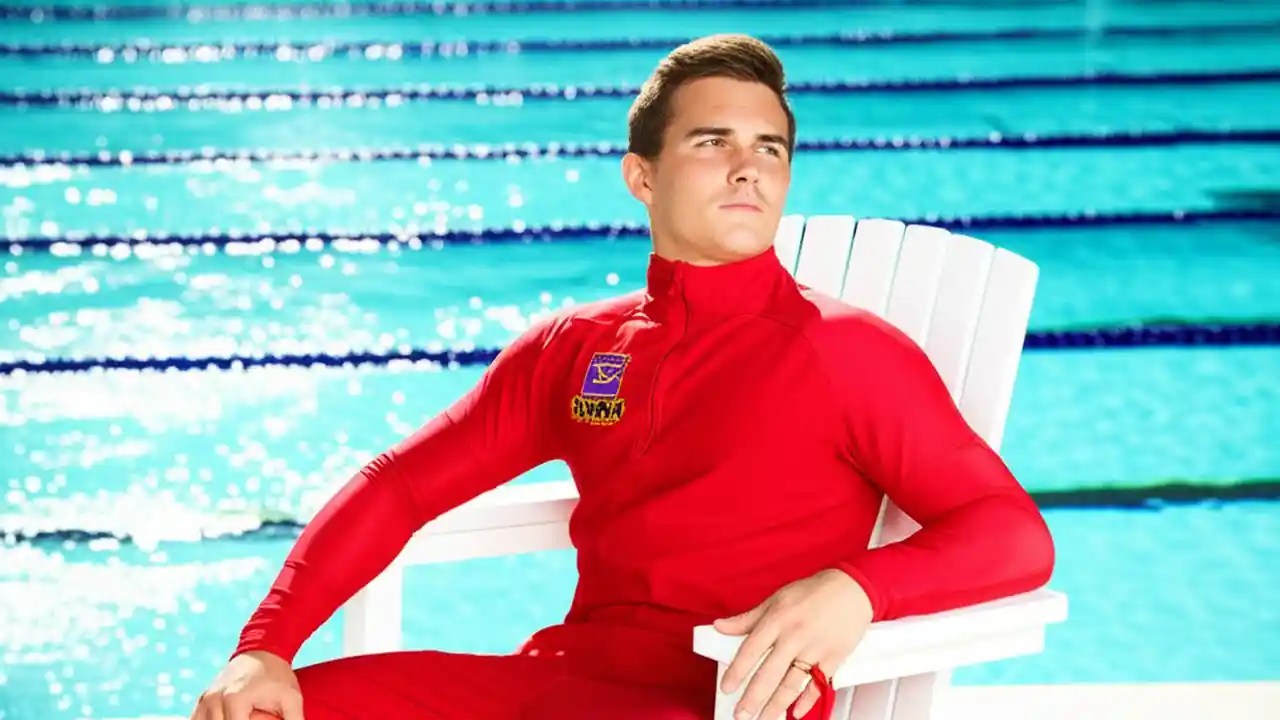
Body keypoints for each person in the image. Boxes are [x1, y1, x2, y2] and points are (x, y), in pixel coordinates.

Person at [190, 33, 1055, 720]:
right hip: (564, 680)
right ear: (641, 175)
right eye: (713, 142)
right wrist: (264, 645)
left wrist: (858, 589)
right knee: (262, 713)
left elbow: (1011, 532)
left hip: (722, 698)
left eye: (770, 149)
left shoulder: (846, 353)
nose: (748, 166)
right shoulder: (577, 347)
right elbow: (399, 488)